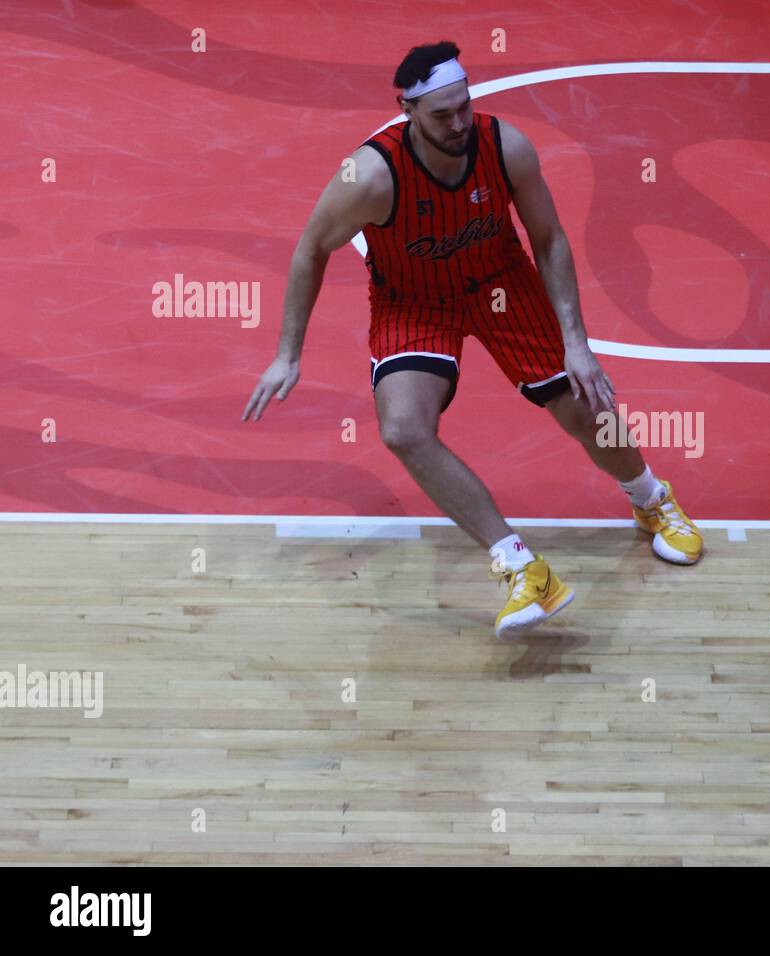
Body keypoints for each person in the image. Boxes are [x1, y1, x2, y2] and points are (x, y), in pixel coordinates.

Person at [244, 42, 702, 639]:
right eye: (441, 115)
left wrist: (577, 341)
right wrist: (287, 353)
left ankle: (651, 498)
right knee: (403, 430)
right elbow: (311, 248)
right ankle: (521, 566)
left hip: (502, 285)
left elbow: (550, 238)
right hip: (414, 301)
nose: (458, 122)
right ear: (407, 109)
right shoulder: (370, 176)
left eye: (464, 106)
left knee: (588, 409)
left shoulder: (505, 146)